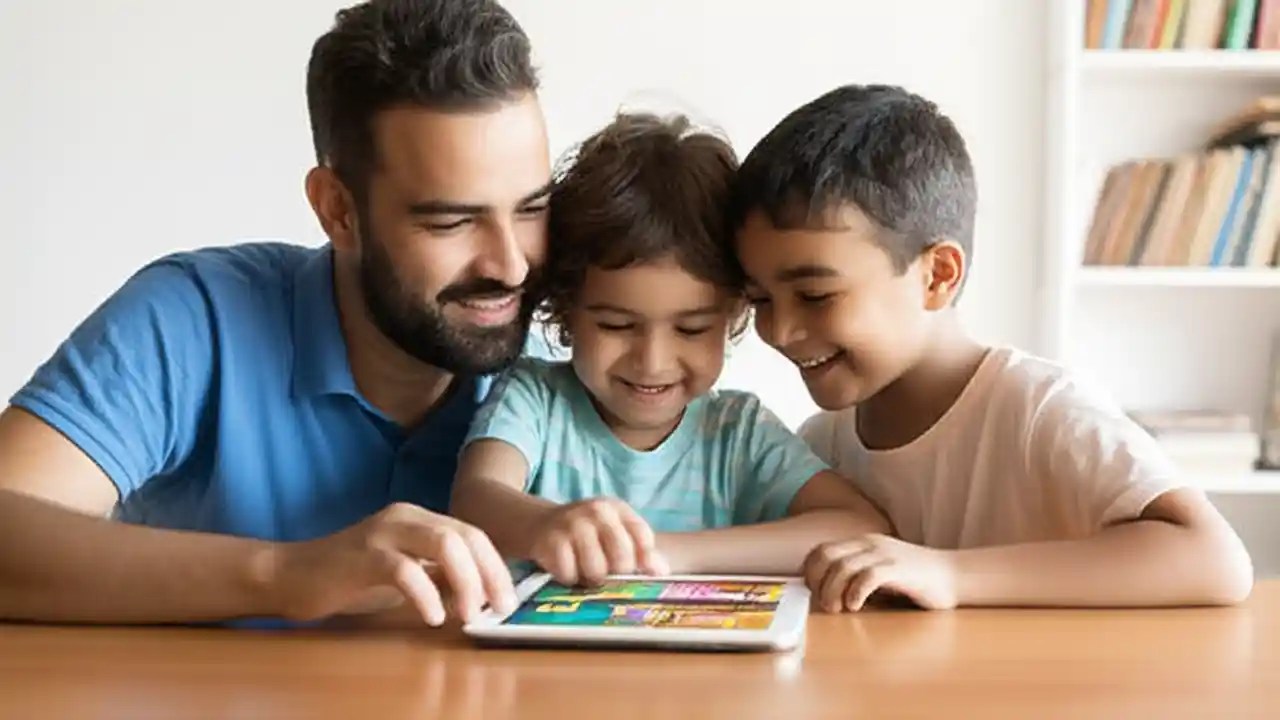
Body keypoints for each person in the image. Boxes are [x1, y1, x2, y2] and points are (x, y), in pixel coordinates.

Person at [0, 0, 553, 627]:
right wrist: (287, 575)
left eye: (532, 209)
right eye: (451, 221)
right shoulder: (195, 318)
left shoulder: (573, 360)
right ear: (338, 210)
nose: (511, 266)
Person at [731, 84, 1255, 612]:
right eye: (760, 300)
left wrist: (948, 574)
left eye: (815, 295)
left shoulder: (1038, 409)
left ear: (937, 276)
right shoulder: (824, 445)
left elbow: (1214, 560)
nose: (779, 331)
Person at [449, 112, 891, 588]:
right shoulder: (535, 399)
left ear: (734, 315)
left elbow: (860, 527)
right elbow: (475, 499)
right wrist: (542, 526)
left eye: (693, 329)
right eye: (617, 324)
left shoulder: (737, 434)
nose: (653, 362)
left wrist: (666, 552)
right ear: (566, 310)